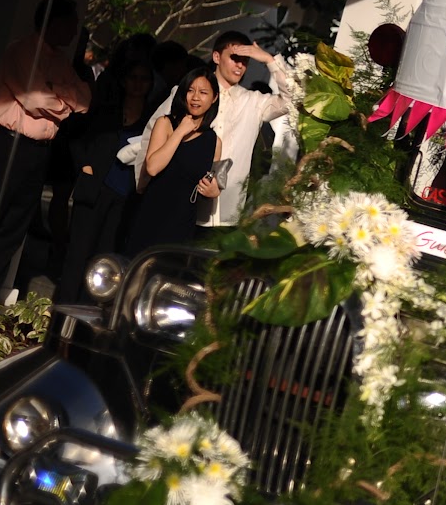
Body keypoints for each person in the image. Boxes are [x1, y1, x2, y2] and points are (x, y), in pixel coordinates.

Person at [0, 0, 93, 304]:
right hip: (10, 144)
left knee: (14, 227)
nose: (74, 31)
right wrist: (62, 100)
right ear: (54, 23)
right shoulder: (22, 50)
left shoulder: (60, 62)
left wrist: (55, 94)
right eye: (70, 24)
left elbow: (83, 101)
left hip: (39, 150)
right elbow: (32, 99)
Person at [133, 30, 291, 231]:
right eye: (234, 58)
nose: (240, 65)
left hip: (225, 212)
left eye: (245, 60)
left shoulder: (254, 102)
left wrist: (269, 60)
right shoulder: (188, 93)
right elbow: (152, 134)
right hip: (177, 202)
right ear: (216, 57)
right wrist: (143, 184)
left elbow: (291, 100)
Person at [54, 58, 156, 302]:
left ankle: (85, 318)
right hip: (94, 188)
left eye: (144, 79)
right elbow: (75, 136)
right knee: (77, 254)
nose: (138, 84)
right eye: (133, 78)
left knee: (104, 261)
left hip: (124, 196)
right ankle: (62, 311)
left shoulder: (154, 119)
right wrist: (85, 165)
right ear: (123, 81)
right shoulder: (107, 109)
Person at [125, 68, 221, 255]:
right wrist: (180, 132)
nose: (195, 97)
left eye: (203, 93)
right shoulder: (166, 123)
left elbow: (213, 180)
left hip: (183, 222)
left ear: (214, 98)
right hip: (152, 213)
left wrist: (213, 191)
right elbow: (152, 168)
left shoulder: (214, 141)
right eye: (190, 90)